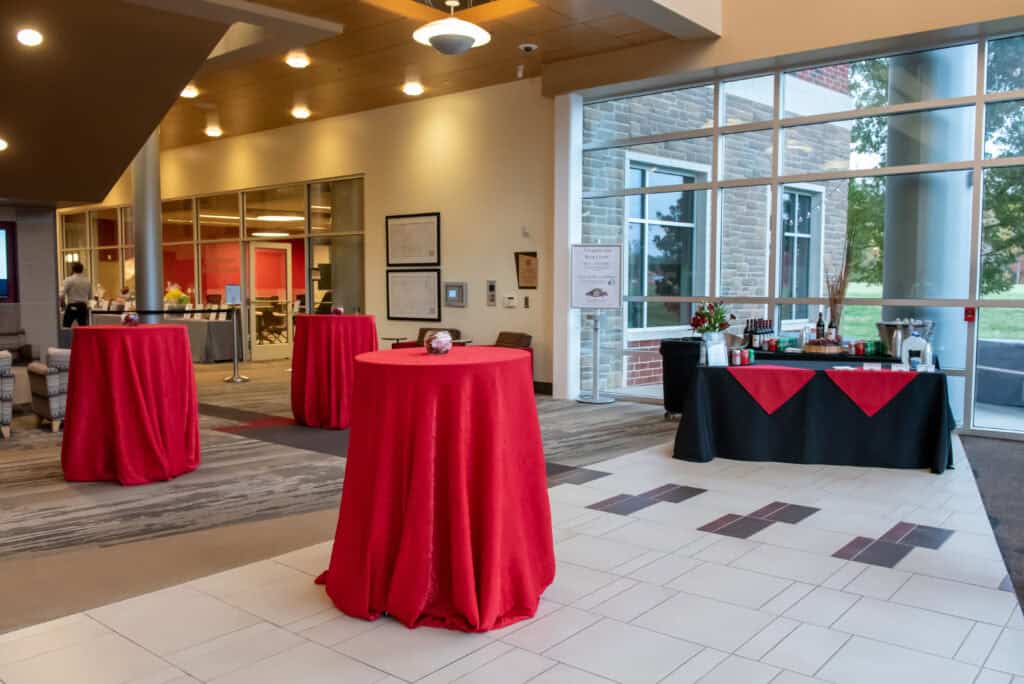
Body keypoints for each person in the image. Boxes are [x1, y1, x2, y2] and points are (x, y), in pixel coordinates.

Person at [60, 262, 92, 328]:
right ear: (82, 270)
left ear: (72, 269)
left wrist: (62, 304)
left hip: (72, 306)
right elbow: (90, 296)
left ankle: (66, 338)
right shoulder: (87, 281)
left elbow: (61, 294)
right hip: (83, 307)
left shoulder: (68, 280)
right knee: (83, 328)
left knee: (66, 327)